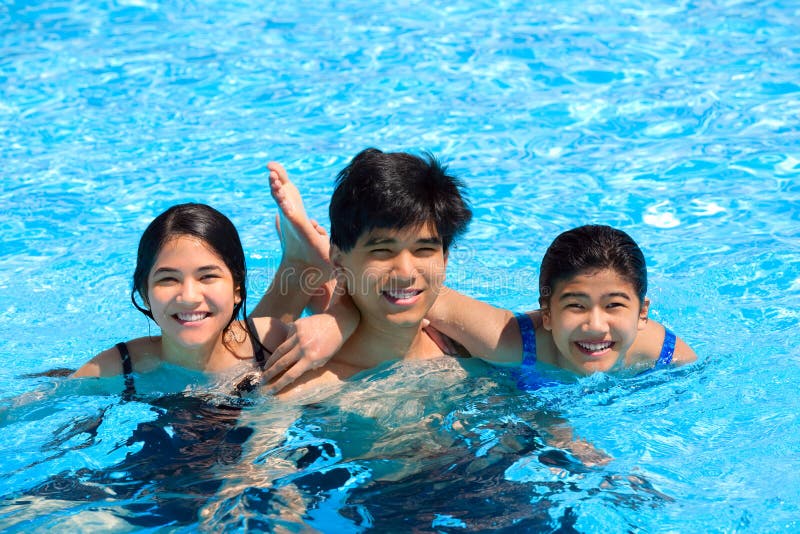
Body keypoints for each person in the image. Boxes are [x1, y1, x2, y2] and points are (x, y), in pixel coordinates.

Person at [72, 164, 357, 396]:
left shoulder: (273, 339)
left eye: (207, 276)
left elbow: (382, 341)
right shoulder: (121, 367)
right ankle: (301, 266)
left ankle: (303, 267)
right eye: (168, 279)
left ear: (237, 288)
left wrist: (337, 318)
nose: (189, 296)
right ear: (144, 293)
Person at [257, 147, 473, 398]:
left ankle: (308, 265)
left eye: (424, 249)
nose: (405, 272)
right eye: (382, 251)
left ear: (444, 260)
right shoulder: (306, 389)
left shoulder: (471, 352)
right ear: (338, 261)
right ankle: (300, 264)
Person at [424, 224, 697, 378]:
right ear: (547, 313)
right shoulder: (508, 341)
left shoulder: (670, 358)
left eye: (614, 305)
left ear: (642, 313)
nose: (596, 325)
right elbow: (423, 292)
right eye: (576, 305)